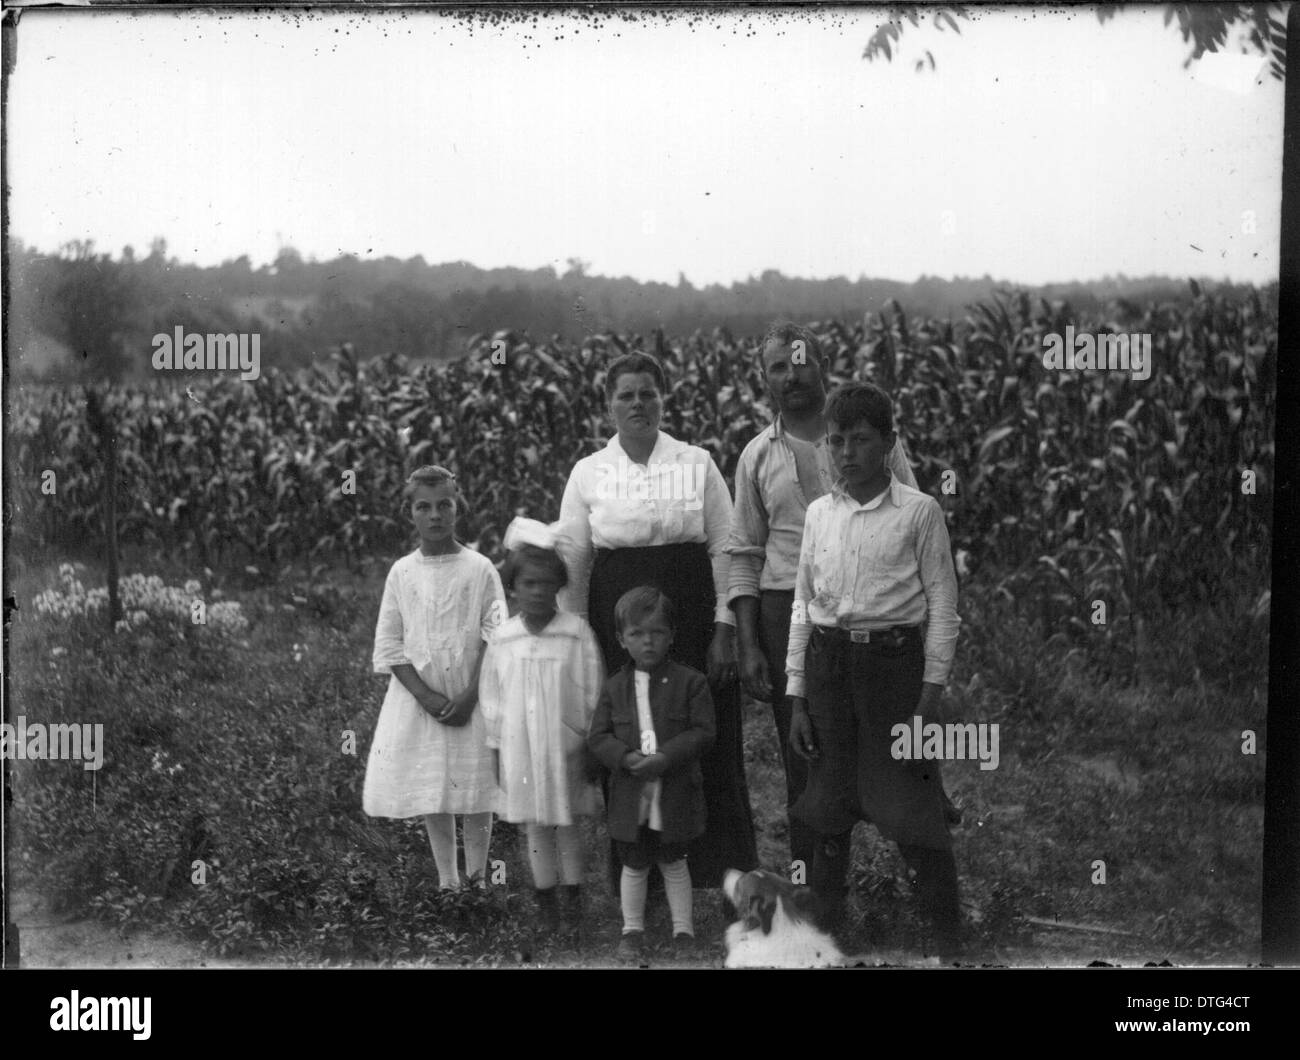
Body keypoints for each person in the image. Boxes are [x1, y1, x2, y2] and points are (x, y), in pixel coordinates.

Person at [556, 351, 757, 890]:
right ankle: (641, 882)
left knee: (704, 739)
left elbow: (726, 545)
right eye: (626, 394)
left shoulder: (696, 462)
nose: (638, 403)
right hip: (619, 623)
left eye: (648, 392)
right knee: (631, 738)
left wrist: (724, 628)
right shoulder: (589, 472)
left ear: (664, 399)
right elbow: (574, 562)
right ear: (609, 404)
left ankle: (723, 875)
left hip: (692, 617)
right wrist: (580, 639)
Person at [727, 322, 918, 879]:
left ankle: (929, 892)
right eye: (778, 367)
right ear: (764, 379)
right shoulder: (756, 456)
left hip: (870, 614)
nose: (792, 376)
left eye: (801, 361)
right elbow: (744, 554)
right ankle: (814, 899)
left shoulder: (868, 442)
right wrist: (748, 645)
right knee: (806, 758)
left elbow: (913, 517)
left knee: (890, 750)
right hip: (786, 615)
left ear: (823, 365)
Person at [786, 382, 964, 959]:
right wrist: (797, 696)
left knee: (911, 806)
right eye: (836, 441)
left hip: (894, 671)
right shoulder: (819, 514)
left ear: (888, 443)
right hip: (829, 669)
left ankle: (949, 938)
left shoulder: (919, 512)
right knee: (827, 808)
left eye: (860, 440)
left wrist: (928, 700)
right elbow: (803, 604)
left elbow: (943, 607)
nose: (846, 452)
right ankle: (825, 936)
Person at [364, 465, 506, 890]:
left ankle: (478, 882)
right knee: (434, 787)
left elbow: (496, 635)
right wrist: (425, 696)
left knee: (477, 787)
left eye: (444, 504)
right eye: (423, 507)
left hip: (473, 694)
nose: (435, 515)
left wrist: (470, 695)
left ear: (458, 506)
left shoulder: (480, 568)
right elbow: (390, 644)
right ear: (409, 513)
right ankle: (448, 881)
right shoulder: (402, 572)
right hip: (421, 700)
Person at [479, 517, 604, 940]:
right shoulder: (504, 638)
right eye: (528, 583)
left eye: (546, 583)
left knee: (565, 821)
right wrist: (496, 748)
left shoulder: (575, 633)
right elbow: (492, 697)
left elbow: (591, 688)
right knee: (534, 823)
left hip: (564, 747)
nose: (537, 591)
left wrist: (588, 742)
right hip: (521, 748)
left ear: (559, 586)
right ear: (513, 586)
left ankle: (574, 899)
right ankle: (546, 900)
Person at [587, 586, 716, 961]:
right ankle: (632, 930)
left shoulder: (691, 682)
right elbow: (598, 736)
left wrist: (666, 757)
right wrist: (625, 758)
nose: (648, 641)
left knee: (674, 861)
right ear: (621, 639)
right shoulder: (614, 687)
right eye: (637, 633)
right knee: (634, 862)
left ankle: (683, 932)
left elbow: (703, 732)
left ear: (672, 635)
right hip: (631, 794)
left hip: (673, 791)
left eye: (657, 632)